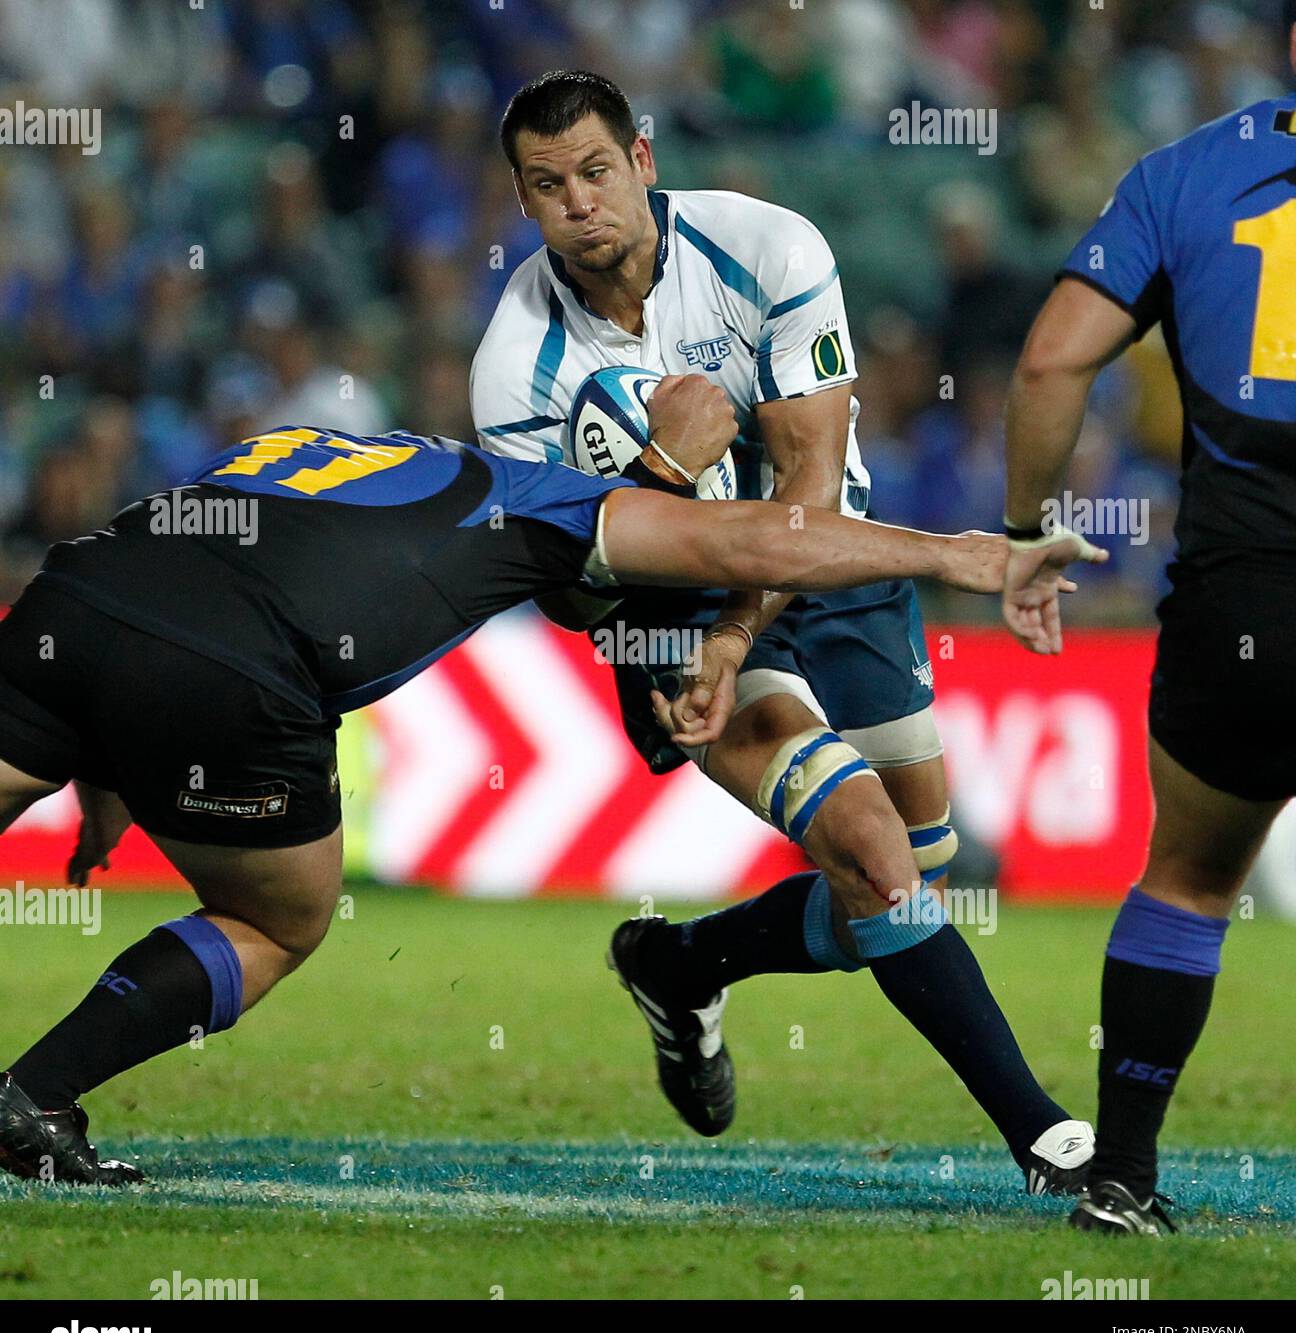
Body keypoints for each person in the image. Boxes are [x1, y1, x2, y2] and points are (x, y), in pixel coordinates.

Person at [0, 376, 1096, 1185]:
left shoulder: (333, 440)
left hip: (74, 601)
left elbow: (176, 581)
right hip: (236, 669)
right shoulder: (552, 502)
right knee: (275, 916)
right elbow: (765, 540)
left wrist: (108, 764)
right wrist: (962, 556)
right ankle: (35, 1094)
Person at [472, 69, 1099, 1191]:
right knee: (872, 853)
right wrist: (667, 479)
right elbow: (564, 591)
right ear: (522, 201)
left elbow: (809, 472)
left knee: (916, 877)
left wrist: (740, 624)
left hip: (831, 566)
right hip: (665, 619)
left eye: (597, 170)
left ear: (645, 159)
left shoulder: (769, 250)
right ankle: (1051, 1143)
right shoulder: (515, 370)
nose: (578, 201)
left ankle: (680, 963)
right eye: (546, 183)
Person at [1001, 0, 1296, 1236]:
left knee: (1186, 880)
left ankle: (1120, 1174)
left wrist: (1026, 539)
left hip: (1247, 602)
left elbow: (1049, 364)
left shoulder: (1186, 170)